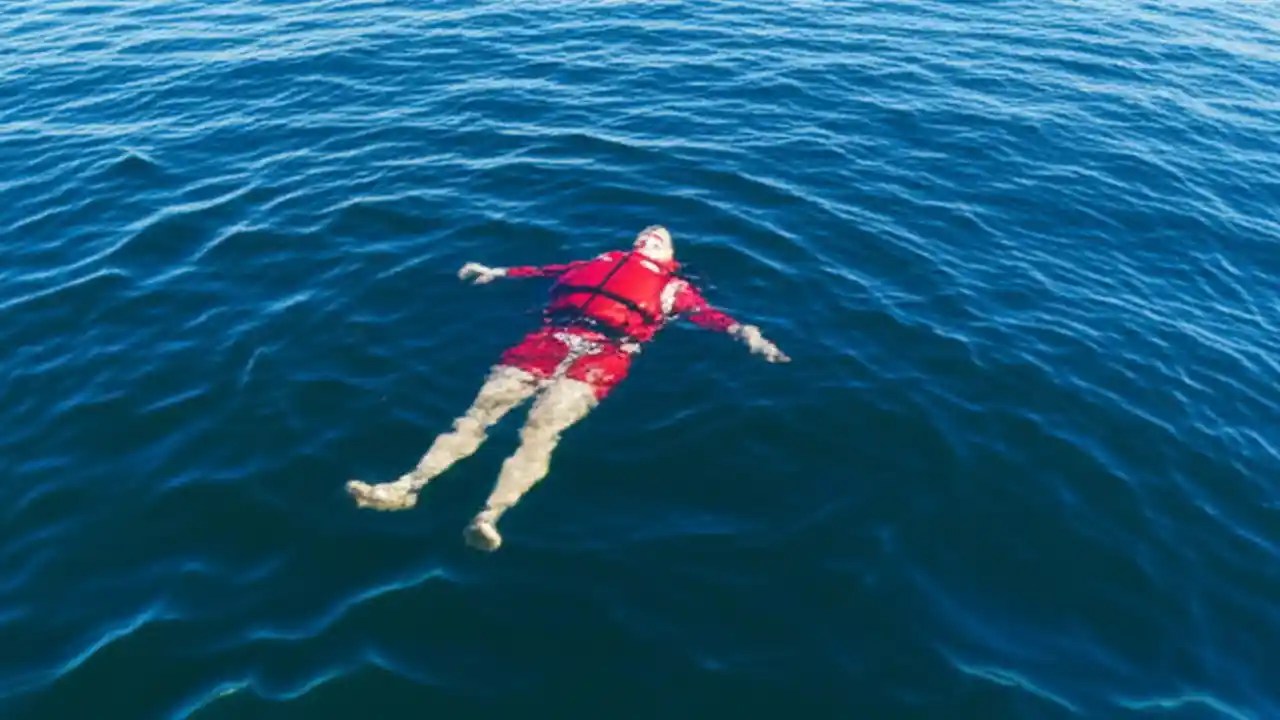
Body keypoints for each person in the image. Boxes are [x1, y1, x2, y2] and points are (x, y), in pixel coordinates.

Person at [346, 225, 789, 551]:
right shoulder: (594, 262)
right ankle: (406, 488)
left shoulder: (674, 287)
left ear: (670, 254)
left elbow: (711, 316)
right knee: (476, 416)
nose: (650, 235)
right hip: (546, 342)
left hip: (607, 354)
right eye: (645, 234)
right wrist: (493, 272)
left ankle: (489, 515)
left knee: (541, 429)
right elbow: (540, 270)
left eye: (660, 237)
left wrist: (749, 335)